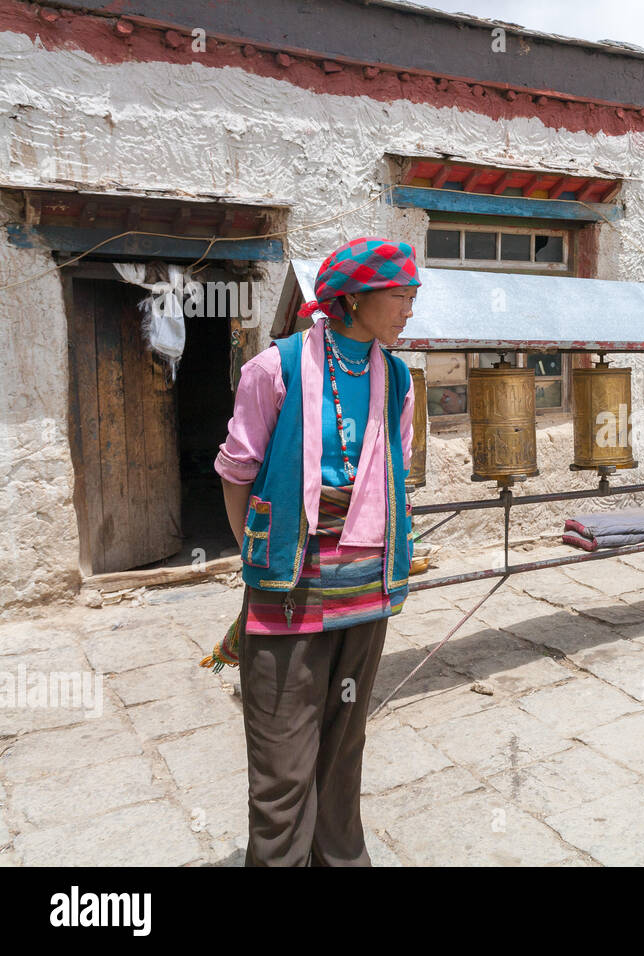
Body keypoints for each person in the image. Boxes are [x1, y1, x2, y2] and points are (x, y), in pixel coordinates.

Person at [212, 237, 421, 866]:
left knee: (343, 743)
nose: (410, 308)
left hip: (364, 588)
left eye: (413, 295)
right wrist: (259, 555)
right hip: (287, 587)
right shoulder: (274, 370)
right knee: (283, 759)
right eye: (401, 295)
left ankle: (339, 857)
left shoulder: (398, 376)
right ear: (354, 298)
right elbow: (237, 471)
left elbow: (393, 472)